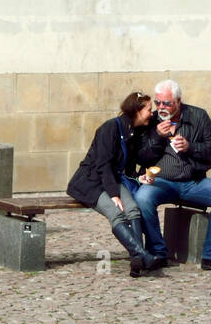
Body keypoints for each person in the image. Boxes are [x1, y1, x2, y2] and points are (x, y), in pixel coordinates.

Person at [134, 80, 211, 272]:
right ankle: (157, 252)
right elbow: (141, 156)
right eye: (158, 103)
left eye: (166, 103)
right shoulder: (152, 121)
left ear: (178, 101)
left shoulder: (198, 116)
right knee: (142, 197)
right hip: (160, 182)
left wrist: (191, 147)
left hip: (193, 181)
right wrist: (156, 136)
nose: (161, 107)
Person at [67, 92, 164, 276]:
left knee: (133, 210)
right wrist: (114, 194)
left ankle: (138, 261)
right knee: (117, 215)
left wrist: (138, 177)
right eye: (148, 110)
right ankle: (141, 255)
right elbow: (103, 164)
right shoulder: (110, 128)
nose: (151, 113)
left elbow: (127, 164)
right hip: (91, 182)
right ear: (136, 110)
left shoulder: (133, 132)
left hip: (113, 179)